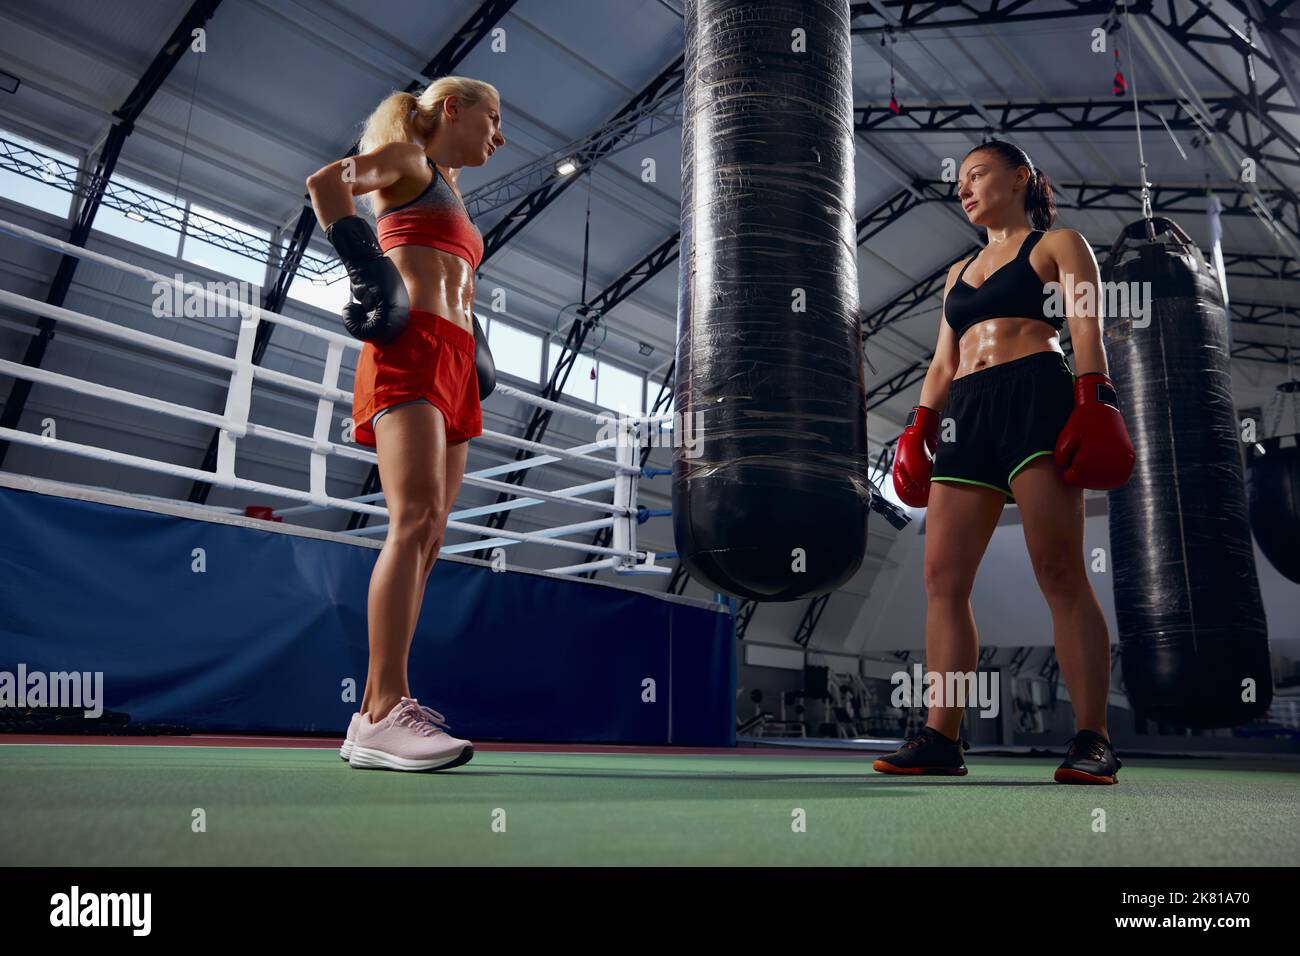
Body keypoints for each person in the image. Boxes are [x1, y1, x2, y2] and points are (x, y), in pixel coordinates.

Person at [878, 140, 1135, 785]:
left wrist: (1094, 396)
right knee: (942, 578)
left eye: (977, 174)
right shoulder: (957, 272)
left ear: (1020, 177)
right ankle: (941, 737)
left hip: (1036, 394)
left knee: (1058, 569)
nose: (963, 188)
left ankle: (1093, 739)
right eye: (959, 181)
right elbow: (942, 360)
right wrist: (918, 424)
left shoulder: (1057, 244)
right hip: (967, 407)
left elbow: (1084, 325)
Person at [306, 76, 506, 771]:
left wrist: (475, 341)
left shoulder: (452, 191)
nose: (500, 135)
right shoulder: (408, 161)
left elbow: (455, 275)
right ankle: (386, 708)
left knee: (432, 535)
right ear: (453, 107)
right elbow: (327, 182)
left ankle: (374, 716)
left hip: (454, 358)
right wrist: (366, 269)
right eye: (493, 117)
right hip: (410, 344)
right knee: (412, 519)